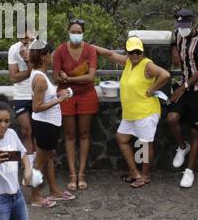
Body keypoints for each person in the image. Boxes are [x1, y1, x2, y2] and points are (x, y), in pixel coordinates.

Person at [99, 36, 171, 188]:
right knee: (121, 138)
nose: (135, 55)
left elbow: (165, 75)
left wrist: (152, 89)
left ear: (142, 52)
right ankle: (134, 172)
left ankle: (144, 176)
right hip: (131, 113)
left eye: (138, 52)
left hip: (145, 111)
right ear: (128, 52)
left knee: (145, 144)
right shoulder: (128, 62)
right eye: (132, 52)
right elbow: (110, 54)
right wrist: (89, 46)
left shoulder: (147, 65)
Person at [168, 8, 198, 189]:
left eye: (185, 25)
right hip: (183, 85)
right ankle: (182, 146)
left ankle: (189, 171)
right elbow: (174, 39)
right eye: (179, 25)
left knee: (196, 131)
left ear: (193, 23)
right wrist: (173, 48)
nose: (182, 29)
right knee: (172, 118)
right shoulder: (177, 34)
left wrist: (184, 86)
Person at [52, 19, 100, 191]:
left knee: (85, 133)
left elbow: (90, 77)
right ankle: (73, 174)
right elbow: (56, 77)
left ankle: (82, 173)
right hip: (66, 96)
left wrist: (69, 79)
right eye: (73, 31)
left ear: (83, 33)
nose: (76, 35)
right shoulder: (59, 51)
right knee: (70, 134)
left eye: (79, 32)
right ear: (68, 31)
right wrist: (64, 79)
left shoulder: (90, 51)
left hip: (87, 95)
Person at [28, 39, 73, 206]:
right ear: (43, 56)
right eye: (50, 54)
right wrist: (59, 100)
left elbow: (44, 98)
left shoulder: (41, 76)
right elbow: (37, 107)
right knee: (39, 162)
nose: (53, 56)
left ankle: (54, 191)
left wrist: (57, 94)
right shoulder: (39, 79)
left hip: (49, 124)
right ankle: (35, 197)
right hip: (45, 125)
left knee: (48, 158)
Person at [6, 29, 36, 154]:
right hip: (21, 95)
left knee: (39, 131)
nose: (23, 41)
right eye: (20, 37)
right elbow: (13, 77)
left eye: (26, 37)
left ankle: (39, 164)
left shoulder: (39, 47)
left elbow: (40, 71)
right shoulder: (14, 49)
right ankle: (29, 163)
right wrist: (29, 71)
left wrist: (27, 61)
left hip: (37, 92)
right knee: (26, 130)